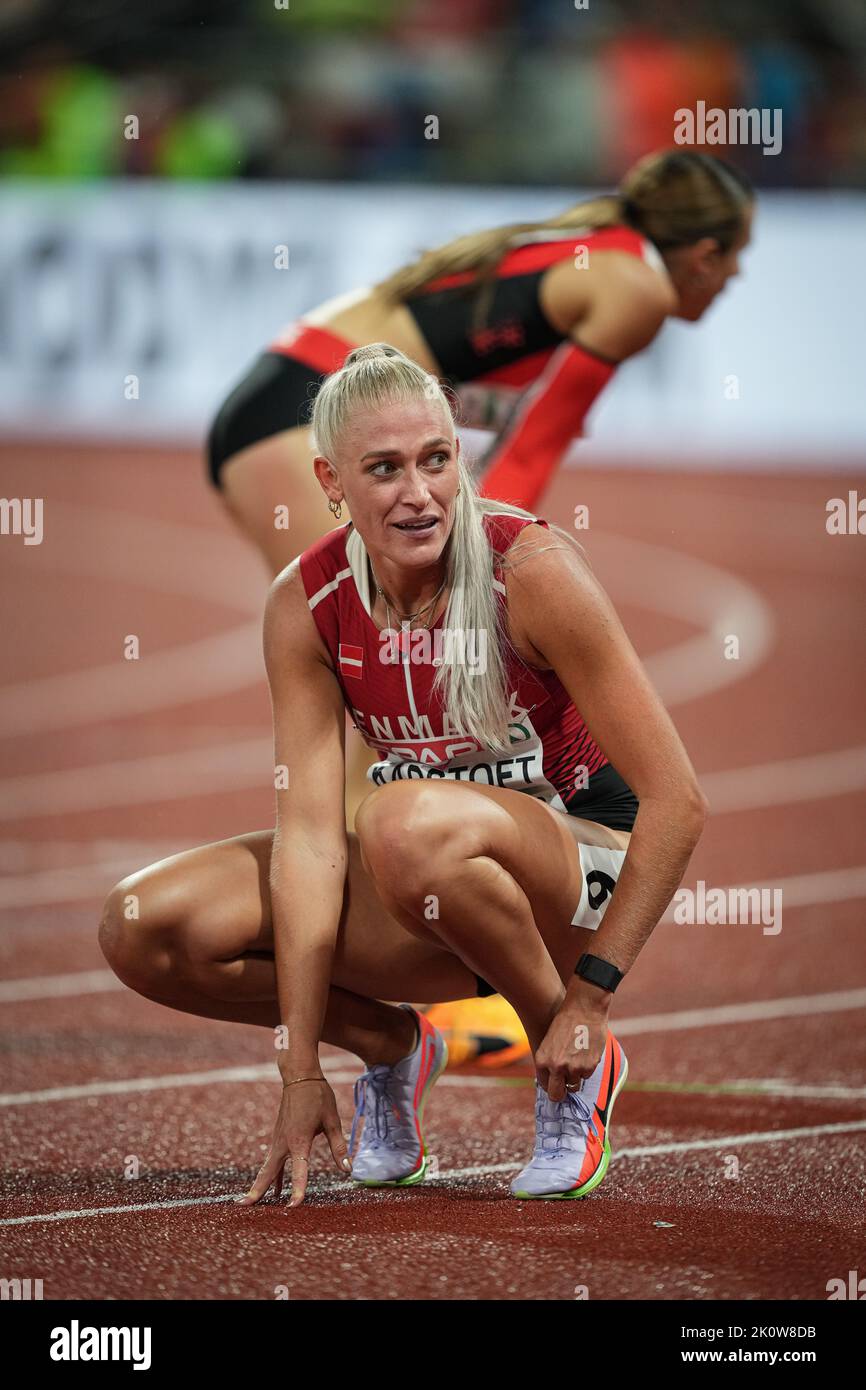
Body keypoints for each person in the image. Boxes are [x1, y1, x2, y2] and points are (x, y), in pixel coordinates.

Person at [100, 345, 707, 1205]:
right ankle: (390, 1045)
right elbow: (310, 839)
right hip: (433, 884)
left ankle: (570, 1069)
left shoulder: (529, 573)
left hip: (578, 878)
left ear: (461, 456)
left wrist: (593, 998)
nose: (418, 495)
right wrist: (301, 1064)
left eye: (437, 460)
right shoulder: (305, 604)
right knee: (145, 927)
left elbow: (677, 804)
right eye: (383, 470)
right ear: (331, 482)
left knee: (401, 821)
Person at [205, 147, 749, 1066]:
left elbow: (498, 415)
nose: (729, 283)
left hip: (279, 392)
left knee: (388, 687)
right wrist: (493, 561)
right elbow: (537, 441)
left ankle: (414, 934)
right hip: (307, 415)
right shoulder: (639, 289)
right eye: (731, 263)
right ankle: (424, 974)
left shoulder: (592, 246)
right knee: (364, 681)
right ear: (699, 255)